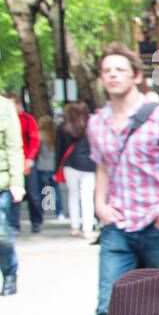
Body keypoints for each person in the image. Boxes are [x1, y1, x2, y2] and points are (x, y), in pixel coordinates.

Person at [88, 44, 159, 315]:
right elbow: (102, 167)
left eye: (120, 69)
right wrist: (100, 205)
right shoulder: (97, 122)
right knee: (108, 304)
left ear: (136, 76)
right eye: (107, 71)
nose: (113, 75)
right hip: (117, 224)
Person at [57, 101, 96, 237]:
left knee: (73, 195)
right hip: (89, 166)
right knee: (87, 196)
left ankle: (74, 226)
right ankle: (87, 228)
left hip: (70, 165)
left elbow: (60, 149)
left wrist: (57, 166)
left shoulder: (63, 128)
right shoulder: (91, 127)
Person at [5, 94, 41, 234]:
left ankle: (36, 221)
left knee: (33, 194)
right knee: (13, 193)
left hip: (27, 161)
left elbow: (34, 139)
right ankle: (14, 224)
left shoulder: (27, 119)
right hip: (12, 162)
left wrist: (30, 158)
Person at [0, 95, 23, 294]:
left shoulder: (5, 107)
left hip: (1, 182)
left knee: (1, 233)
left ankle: (9, 273)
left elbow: (14, 146)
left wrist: (17, 182)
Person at [36, 115, 61, 220]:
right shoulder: (56, 136)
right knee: (55, 190)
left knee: (42, 191)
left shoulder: (39, 136)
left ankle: (41, 212)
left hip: (42, 166)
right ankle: (59, 212)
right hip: (53, 167)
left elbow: (36, 152)